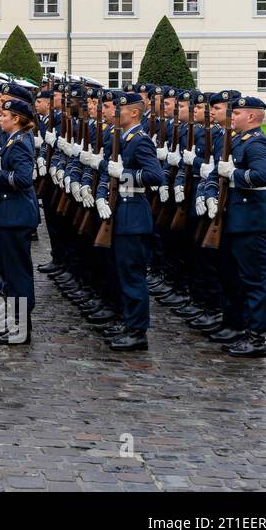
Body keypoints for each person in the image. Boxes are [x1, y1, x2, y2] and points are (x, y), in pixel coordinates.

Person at [206, 95, 266, 358]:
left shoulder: (257, 143)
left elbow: (261, 176)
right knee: (232, 276)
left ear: (250, 117)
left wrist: (232, 174)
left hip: (252, 223)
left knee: (254, 281)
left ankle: (257, 337)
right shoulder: (236, 140)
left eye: (236, 113)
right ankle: (237, 325)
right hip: (236, 220)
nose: (231, 116)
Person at [96, 91, 165, 352]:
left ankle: (138, 332)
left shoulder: (140, 141)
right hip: (120, 210)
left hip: (133, 213)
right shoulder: (122, 138)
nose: (114, 114)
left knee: (133, 275)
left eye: (119, 110)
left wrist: (124, 173)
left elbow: (155, 176)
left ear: (134, 112)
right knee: (122, 272)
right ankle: (128, 322)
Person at [0, 97, 40, 343]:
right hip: (10, 213)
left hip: (16, 215)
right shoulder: (13, 140)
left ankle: (22, 327)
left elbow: (23, 179)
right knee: (10, 270)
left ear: (16, 119)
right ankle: (16, 321)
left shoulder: (19, 143)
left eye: (5, 116)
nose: (0, 119)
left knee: (18, 273)